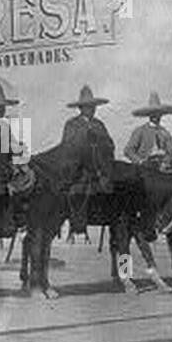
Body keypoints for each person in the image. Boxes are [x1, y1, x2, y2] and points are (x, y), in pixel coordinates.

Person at [60, 85, 115, 234]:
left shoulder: (99, 125)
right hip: (78, 168)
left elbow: (110, 146)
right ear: (81, 108)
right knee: (77, 189)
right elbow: (67, 146)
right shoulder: (72, 124)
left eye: (93, 107)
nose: (91, 109)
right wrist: (84, 141)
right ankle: (78, 220)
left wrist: (100, 143)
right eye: (87, 107)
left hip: (99, 168)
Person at [124, 91, 172, 172]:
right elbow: (128, 150)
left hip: (161, 168)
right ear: (149, 115)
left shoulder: (164, 133)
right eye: (152, 114)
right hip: (143, 168)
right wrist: (140, 161)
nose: (155, 116)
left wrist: (165, 162)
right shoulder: (140, 131)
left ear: (161, 115)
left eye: (158, 113)